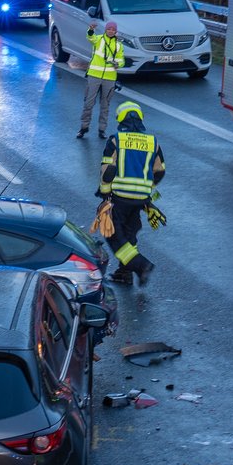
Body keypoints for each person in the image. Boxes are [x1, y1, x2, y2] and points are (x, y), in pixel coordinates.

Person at [98, 102, 165, 286]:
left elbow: (108, 172)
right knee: (129, 234)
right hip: (141, 200)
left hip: (119, 197)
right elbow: (160, 171)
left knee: (113, 235)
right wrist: (145, 189)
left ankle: (141, 265)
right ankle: (124, 274)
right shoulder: (152, 142)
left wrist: (105, 194)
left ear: (120, 119)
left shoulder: (115, 140)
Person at [77, 20, 123, 139]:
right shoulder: (99, 39)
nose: (111, 31)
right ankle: (83, 128)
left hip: (109, 78)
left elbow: (121, 60)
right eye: (109, 29)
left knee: (105, 105)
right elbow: (90, 37)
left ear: (116, 31)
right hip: (94, 76)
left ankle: (102, 130)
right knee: (89, 103)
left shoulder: (119, 45)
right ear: (105, 29)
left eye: (113, 29)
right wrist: (91, 29)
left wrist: (117, 64)